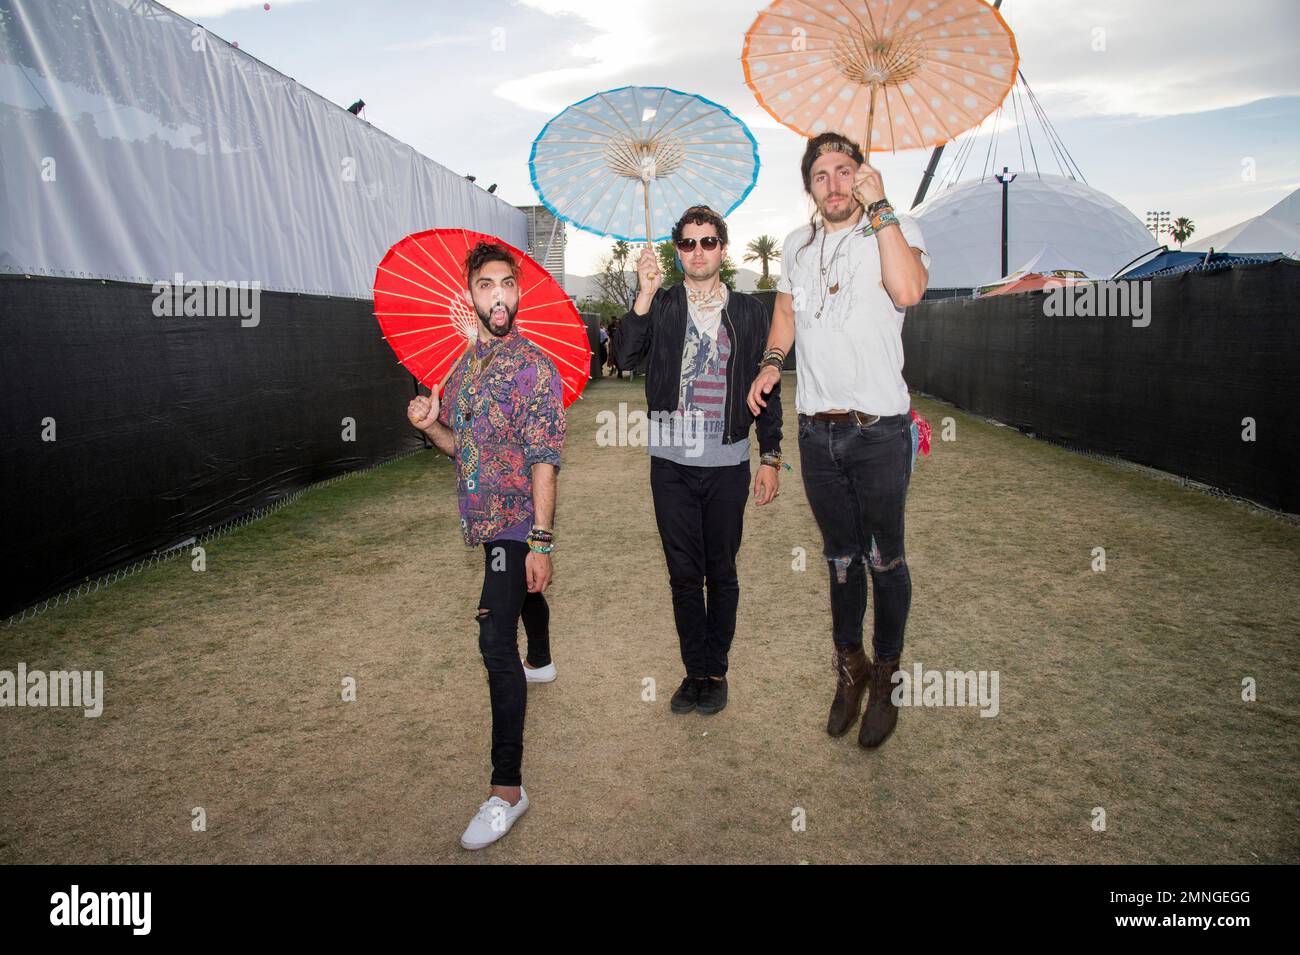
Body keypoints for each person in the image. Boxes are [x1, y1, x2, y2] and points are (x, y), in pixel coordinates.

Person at [747, 132, 929, 749]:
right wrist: (773, 362)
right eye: (821, 174)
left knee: (886, 558)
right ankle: (849, 669)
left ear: (861, 175)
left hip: (879, 430)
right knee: (841, 559)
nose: (834, 183)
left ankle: (886, 677)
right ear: (809, 186)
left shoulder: (895, 227)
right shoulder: (798, 245)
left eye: (844, 170)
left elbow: (907, 291)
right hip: (817, 433)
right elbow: (787, 315)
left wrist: (883, 212)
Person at [406, 240, 566, 849]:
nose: (498, 296)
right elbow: (460, 449)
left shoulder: (535, 367)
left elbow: (545, 460)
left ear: (518, 291)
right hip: (484, 521)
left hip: (517, 521)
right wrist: (431, 427)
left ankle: (508, 791)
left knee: (494, 638)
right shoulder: (463, 368)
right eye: (485, 286)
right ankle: (544, 658)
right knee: (519, 597)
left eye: (506, 284)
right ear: (470, 295)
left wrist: (541, 541)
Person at [615, 205, 783, 717]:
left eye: (708, 242)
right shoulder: (662, 304)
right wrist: (643, 292)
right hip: (671, 463)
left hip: (728, 460)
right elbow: (623, 357)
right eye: (687, 244)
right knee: (684, 574)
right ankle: (694, 672)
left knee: (721, 571)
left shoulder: (752, 312)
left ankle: (717, 670)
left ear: (723, 249)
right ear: (677, 251)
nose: (698, 251)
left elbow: (767, 389)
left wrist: (771, 455)